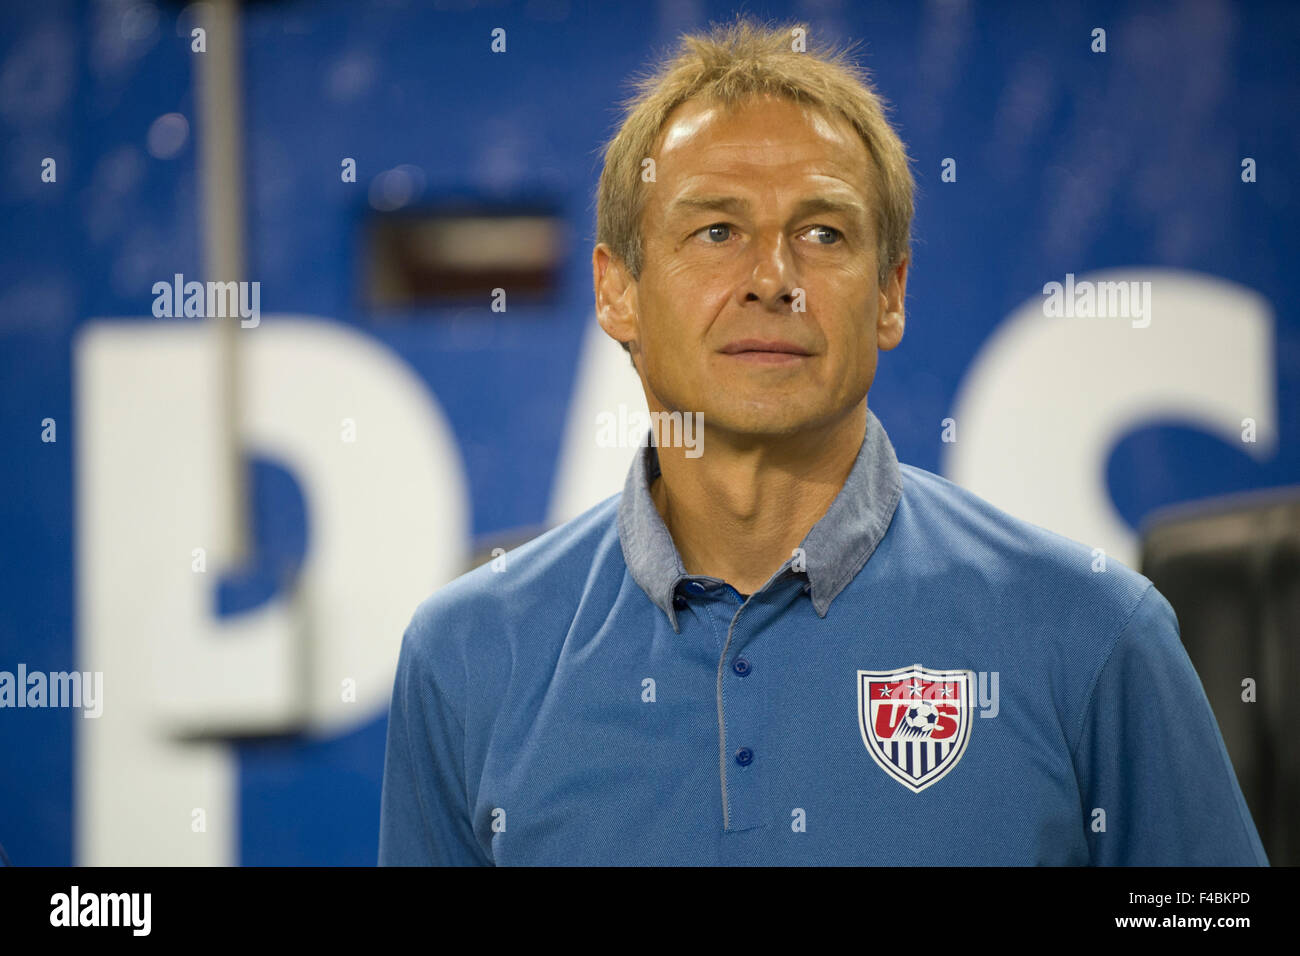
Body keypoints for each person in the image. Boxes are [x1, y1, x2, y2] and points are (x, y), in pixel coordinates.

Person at [378, 16, 1268, 866]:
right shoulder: (466, 656)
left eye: (823, 232)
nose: (773, 279)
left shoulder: (1096, 630)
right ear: (617, 293)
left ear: (890, 294)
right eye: (716, 230)